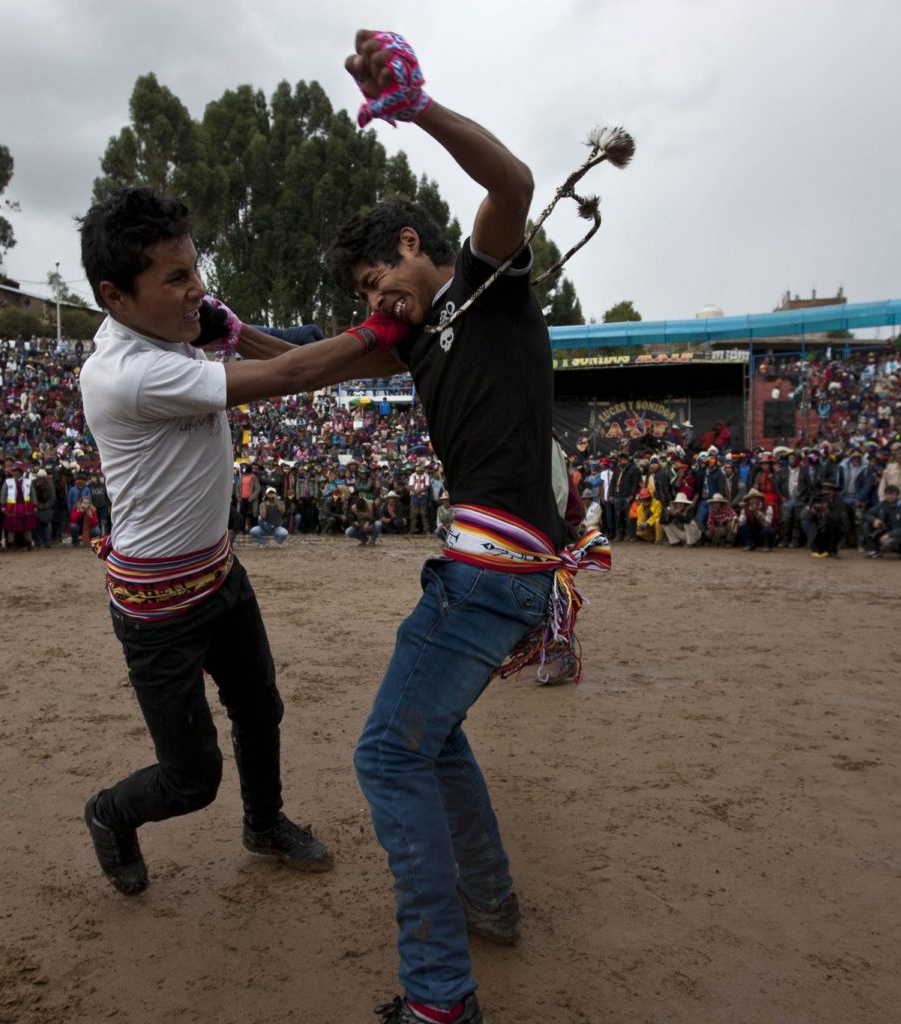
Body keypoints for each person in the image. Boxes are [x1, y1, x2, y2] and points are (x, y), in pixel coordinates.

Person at [325, 31, 610, 1021]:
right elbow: (309, 362)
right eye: (363, 300)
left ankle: (440, 998)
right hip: (497, 574)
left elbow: (516, 179)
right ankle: (490, 904)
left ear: (411, 245)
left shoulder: (488, 287)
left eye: (374, 282)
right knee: (431, 741)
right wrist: (228, 339)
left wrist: (416, 107)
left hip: (488, 575)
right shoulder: (417, 342)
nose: (374, 304)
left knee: (385, 754)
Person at [75, 183, 410, 900]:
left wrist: (231, 325)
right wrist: (384, 329)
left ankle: (264, 824)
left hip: (218, 576)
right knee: (191, 780)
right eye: (176, 279)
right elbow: (289, 372)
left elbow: (270, 346)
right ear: (116, 295)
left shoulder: (174, 331)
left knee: (261, 708)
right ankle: (109, 813)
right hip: (158, 607)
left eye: (196, 270)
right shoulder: (130, 373)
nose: (197, 290)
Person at [863, 485, 901, 559]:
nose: (890, 496)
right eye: (888, 494)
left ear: (897, 495)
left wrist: (889, 534)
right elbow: (867, 514)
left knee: (888, 544)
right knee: (867, 524)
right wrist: (874, 520)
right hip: (887, 531)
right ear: (885, 495)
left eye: (893, 494)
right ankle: (873, 551)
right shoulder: (882, 504)